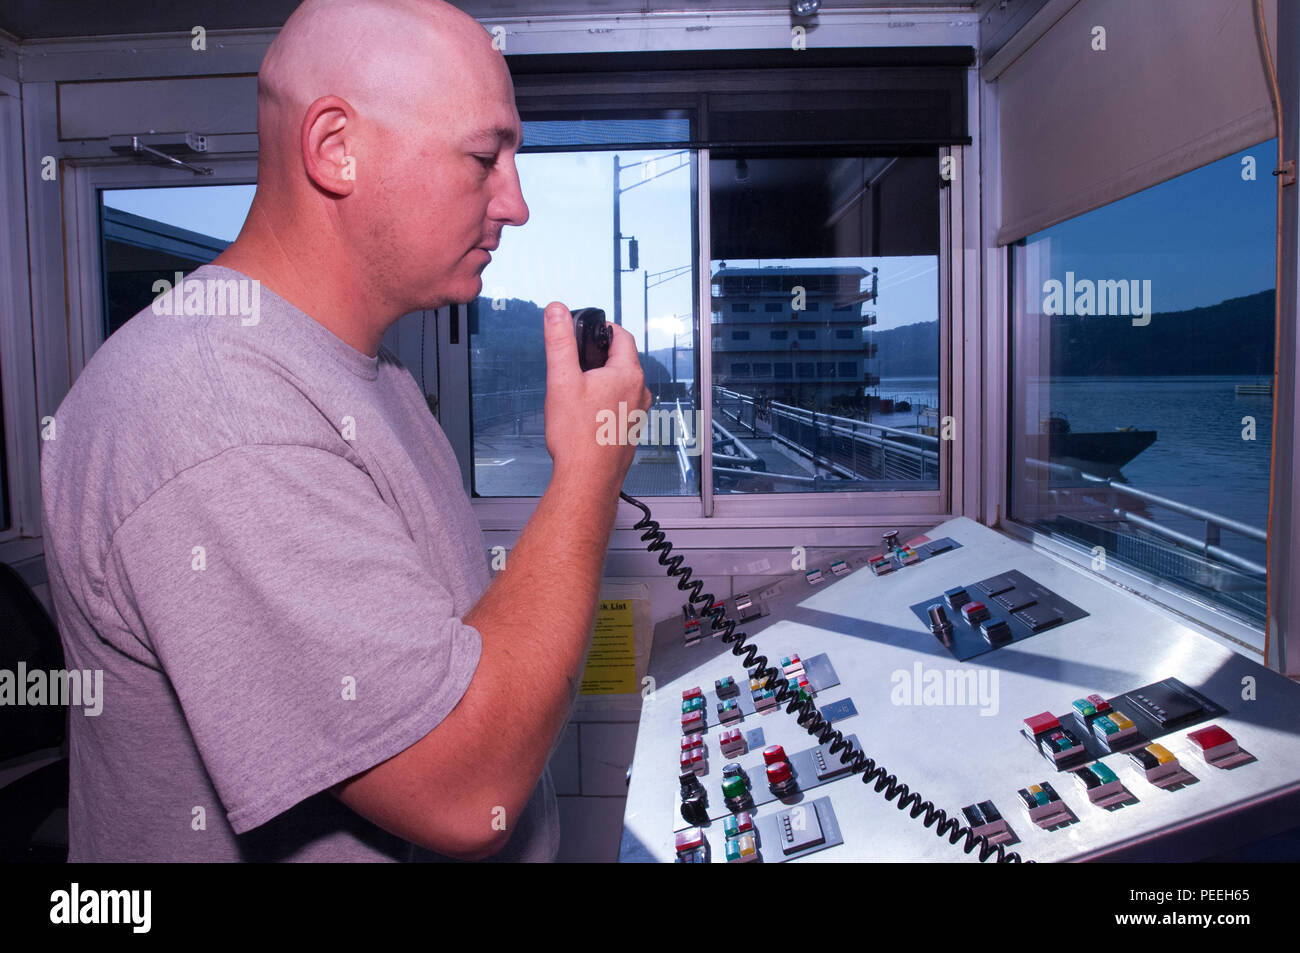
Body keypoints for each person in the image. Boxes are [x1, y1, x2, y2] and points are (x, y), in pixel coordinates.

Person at [39, 0, 649, 861]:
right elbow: (466, 793)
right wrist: (587, 472)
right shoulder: (214, 408)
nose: (514, 203)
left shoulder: (376, 376)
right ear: (336, 150)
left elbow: (452, 662)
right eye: (484, 157)